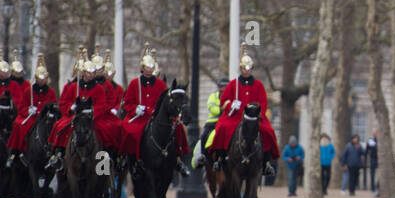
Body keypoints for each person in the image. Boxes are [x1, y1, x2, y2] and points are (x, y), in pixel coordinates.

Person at [207, 48, 279, 178]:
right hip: (235, 117)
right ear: (241, 69)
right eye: (245, 68)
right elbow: (223, 100)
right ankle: (219, 157)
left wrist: (255, 110)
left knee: (268, 131)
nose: (247, 70)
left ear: (251, 69)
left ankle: (267, 162)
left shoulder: (258, 85)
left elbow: (263, 102)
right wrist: (230, 105)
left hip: (253, 117)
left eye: (249, 68)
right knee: (222, 128)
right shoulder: (233, 84)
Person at [119, 45, 190, 174]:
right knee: (130, 131)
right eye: (147, 67)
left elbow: (166, 102)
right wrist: (135, 109)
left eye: (152, 67)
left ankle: (178, 160)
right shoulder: (135, 83)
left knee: (178, 129)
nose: (150, 69)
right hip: (140, 117)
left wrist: (156, 111)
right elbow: (128, 102)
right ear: (142, 68)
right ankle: (130, 158)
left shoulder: (161, 84)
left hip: (156, 117)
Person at [7, 53, 58, 166]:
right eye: (40, 78)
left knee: (53, 128)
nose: (42, 81)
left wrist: (48, 111)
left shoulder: (51, 92)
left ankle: (54, 154)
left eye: (44, 78)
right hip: (31, 117)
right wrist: (28, 111)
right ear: (36, 78)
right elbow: (21, 107)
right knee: (18, 125)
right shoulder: (28, 91)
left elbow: (54, 105)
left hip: (44, 118)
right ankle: (16, 151)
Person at [191, 77, 230, 169]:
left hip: (227, 122)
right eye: (221, 87)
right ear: (218, 88)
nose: (223, 89)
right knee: (204, 136)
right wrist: (222, 109)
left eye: (225, 87)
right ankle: (203, 156)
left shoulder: (231, 97)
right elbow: (211, 108)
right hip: (213, 122)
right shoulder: (213, 96)